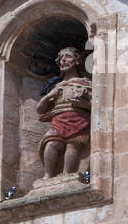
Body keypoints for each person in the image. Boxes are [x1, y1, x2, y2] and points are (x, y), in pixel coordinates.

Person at [37, 46, 92, 178]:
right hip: (59, 118)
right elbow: (40, 109)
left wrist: (83, 104)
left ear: (77, 60)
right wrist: (50, 95)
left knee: (73, 145)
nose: (63, 61)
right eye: (60, 58)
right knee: (51, 143)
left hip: (79, 118)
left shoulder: (86, 84)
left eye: (67, 56)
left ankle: (67, 175)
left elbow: (95, 105)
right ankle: (48, 175)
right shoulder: (57, 86)